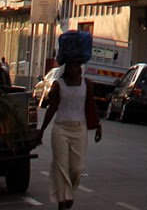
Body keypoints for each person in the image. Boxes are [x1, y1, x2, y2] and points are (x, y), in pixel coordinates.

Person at [36, 57, 102, 209]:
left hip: (79, 129)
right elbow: (52, 108)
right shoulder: (58, 85)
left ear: (80, 68)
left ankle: (69, 192)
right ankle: (63, 199)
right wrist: (42, 130)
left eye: (76, 66)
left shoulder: (87, 85)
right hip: (61, 129)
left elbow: (92, 105)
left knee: (76, 168)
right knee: (61, 165)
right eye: (70, 66)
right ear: (66, 68)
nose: (73, 69)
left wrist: (98, 125)